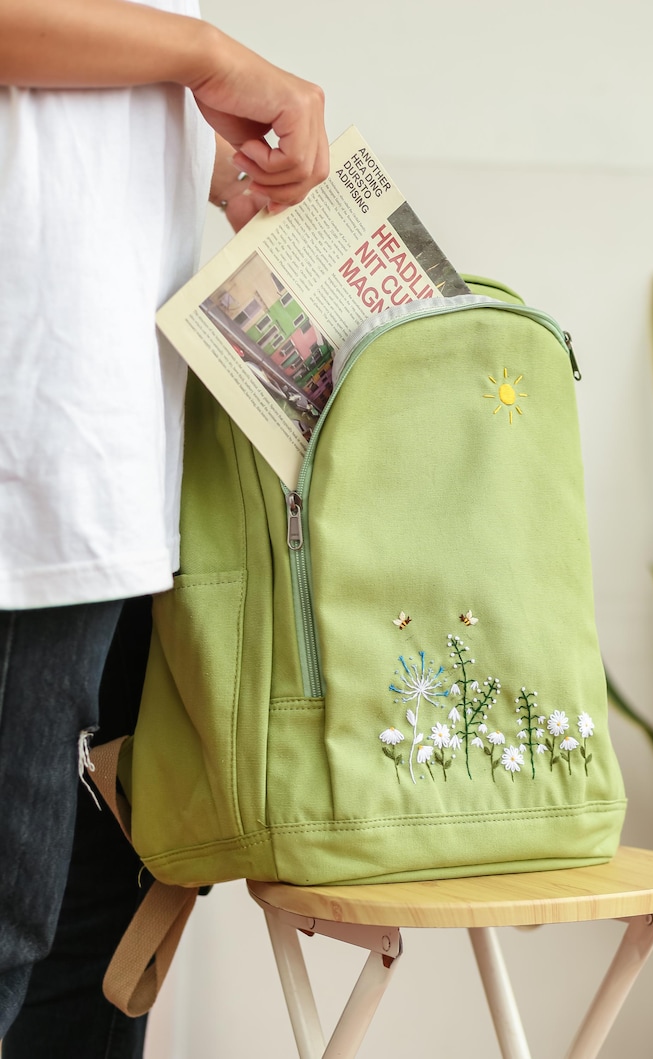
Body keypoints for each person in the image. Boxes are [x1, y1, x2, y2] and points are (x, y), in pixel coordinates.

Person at [0, 1, 329, 1054]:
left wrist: (205, 159)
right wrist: (208, 59)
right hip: (35, 455)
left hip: (105, 454)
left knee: (87, 934)